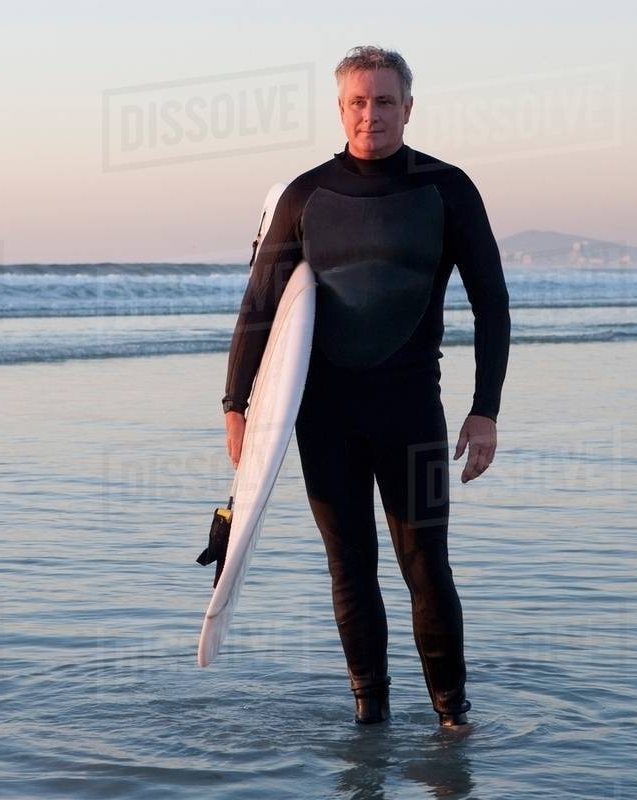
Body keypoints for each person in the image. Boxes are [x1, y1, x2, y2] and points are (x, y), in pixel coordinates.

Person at [221, 46, 510, 727]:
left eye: (385, 101)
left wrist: (485, 409)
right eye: (358, 101)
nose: (371, 114)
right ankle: (369, 713)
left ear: (408, 108)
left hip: (410, 407)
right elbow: (260, 306)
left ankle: (451, 713)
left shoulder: (447, 189)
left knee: (424, 563)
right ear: (340, 107)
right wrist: (236, 406)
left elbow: (492, 303)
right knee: (349, 566)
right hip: (324, 412)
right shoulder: (305, 195)